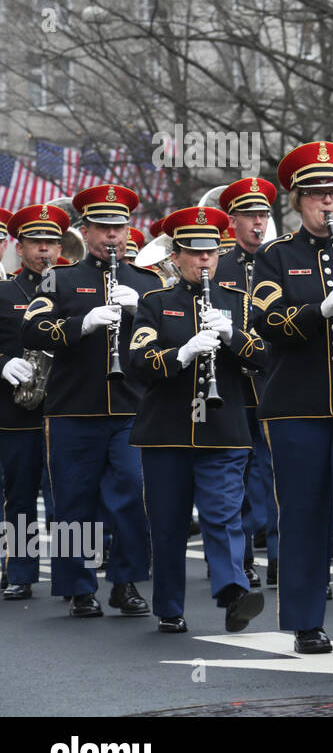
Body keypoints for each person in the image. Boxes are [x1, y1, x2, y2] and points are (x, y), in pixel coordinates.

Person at [249, 141, 333, 654]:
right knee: (303, 513)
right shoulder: (275, 257)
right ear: (297, 201)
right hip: (295, 406)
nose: (328, 204)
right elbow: (265, 321)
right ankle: (306, 621)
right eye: (316, 195)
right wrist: (318, 312)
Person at [22, 184, 161, 619]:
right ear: (84, 231)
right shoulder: (59, 277)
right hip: (72, 408)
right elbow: (32, 330)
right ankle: (79, 587)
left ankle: (126, 581)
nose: (113, 236)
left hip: (131, 409)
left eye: (119, 227)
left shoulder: (148, 282)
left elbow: (172, 337)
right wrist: (80, 324)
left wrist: (141, 310)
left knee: (134, 494)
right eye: (103, 227)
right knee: (73, 502)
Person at [127, 206, 267, 633]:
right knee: (167, 523)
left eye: (212, 253)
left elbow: (265, 357)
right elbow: (137, 360)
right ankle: (170, 607)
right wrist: (182, 354)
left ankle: (233, 592)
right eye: (195, 252)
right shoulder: (155, 303)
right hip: (167, 430)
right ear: (177, 256)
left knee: (223, 514)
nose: (205, 260)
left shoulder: (238, 304)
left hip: (223, 428)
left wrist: (232, 337)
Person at [0, 204, 67, 599]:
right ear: (19, 247)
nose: (45, 251)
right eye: (36, 243)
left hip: (68, 409)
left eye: (52, 243)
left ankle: (73, 577)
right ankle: (21, 573)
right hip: (17, 411)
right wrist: (3, 362)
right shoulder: (5, 292)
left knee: (70, 495)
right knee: (21, 495)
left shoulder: (75, 288)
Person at [217, 177, 277, 588]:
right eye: (250, 216)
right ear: (233, 220)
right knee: (234, 476)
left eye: (263, 215)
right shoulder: (217, 265)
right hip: (233, 385)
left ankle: (281, 558)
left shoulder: (279, 258)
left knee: (277, 478)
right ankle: (240, 563)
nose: (258, 223)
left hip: (275, 381)